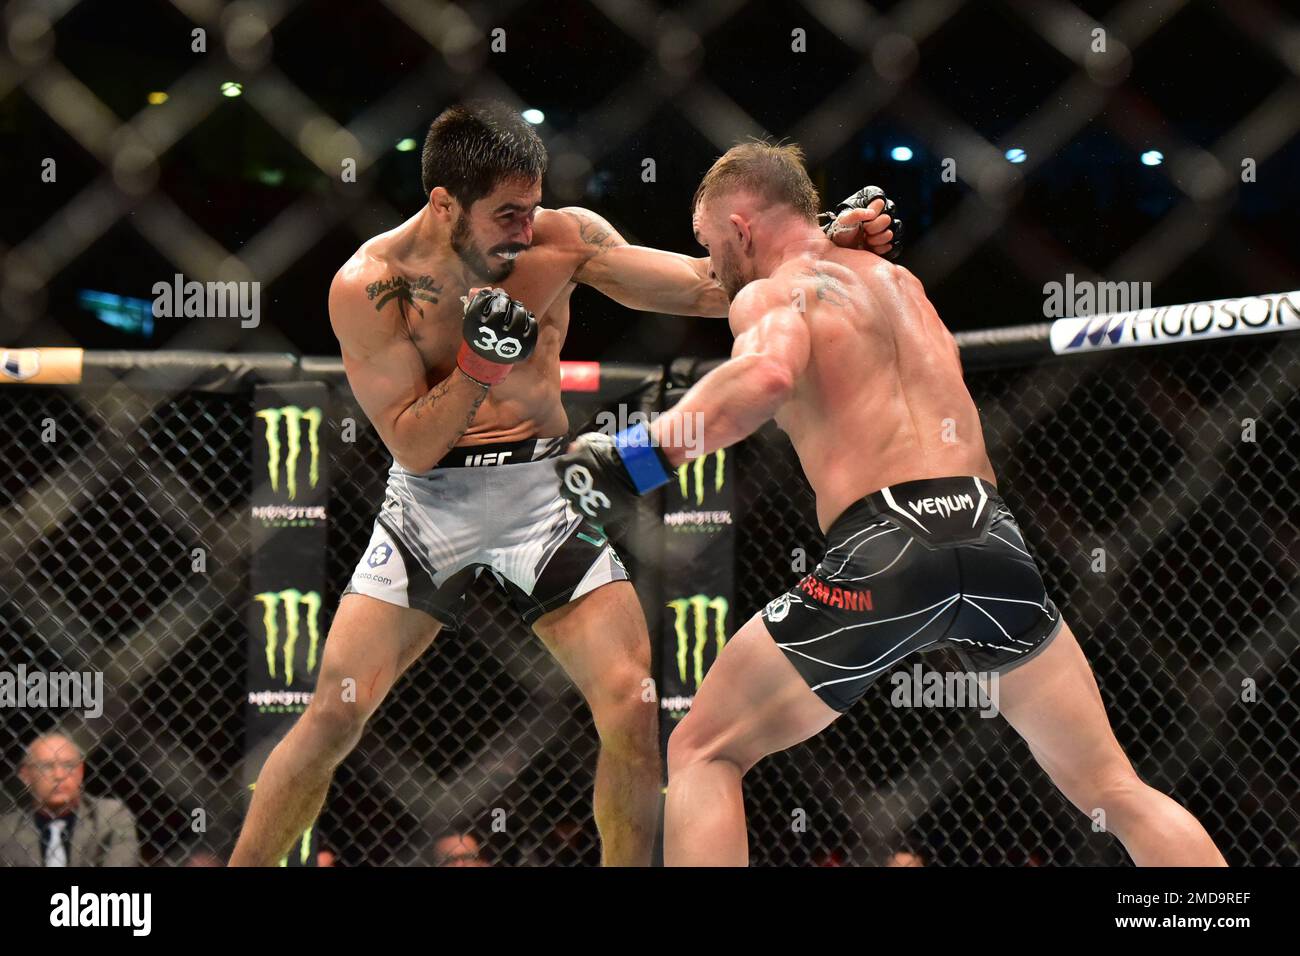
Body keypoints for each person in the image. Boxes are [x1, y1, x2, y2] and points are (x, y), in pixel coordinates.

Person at [229, 101, 897, 867]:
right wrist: (479, 366)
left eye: (533, 207)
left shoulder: (561, 237)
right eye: (506, 213)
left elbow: (709, 285)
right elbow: (412, 443)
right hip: (431, 502)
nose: (524, 229)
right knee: (332, 718)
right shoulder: (372, 285)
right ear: (444, 203)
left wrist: (819, 249)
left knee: (632, 705)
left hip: (545, 493)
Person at [555, 140, 1228, 867]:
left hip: (889, 546)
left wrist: (634, 456)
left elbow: (764, 379)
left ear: (742, 227)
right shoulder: (903, 284)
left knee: (703, 749)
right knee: (1112, 786)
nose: (712, 268)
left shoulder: (771, 293)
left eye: (711, 245)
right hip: (990, 535)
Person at [0, 732, 140, 867]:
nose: (59, 775)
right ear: (25, 775)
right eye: (47, 766)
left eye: (68, 765)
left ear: (80, 771)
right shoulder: (5, 830)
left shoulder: (112, 816)